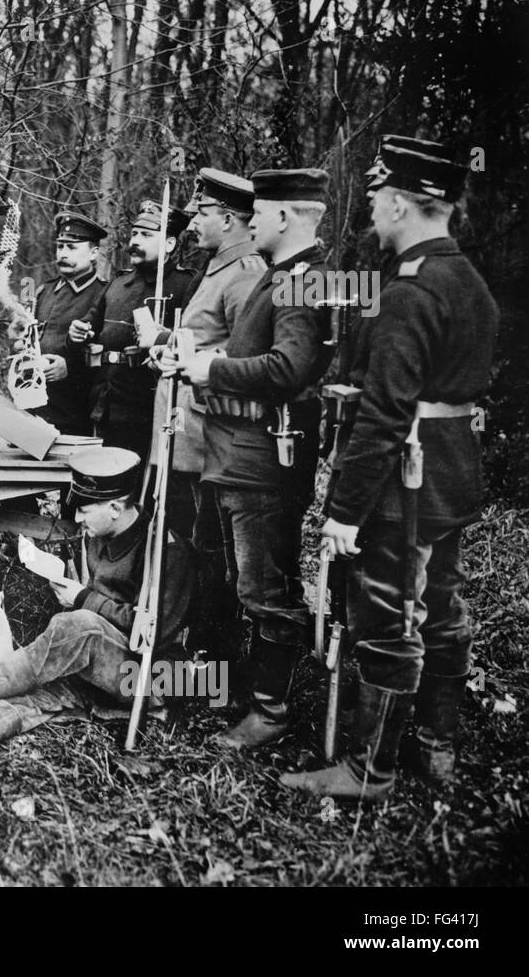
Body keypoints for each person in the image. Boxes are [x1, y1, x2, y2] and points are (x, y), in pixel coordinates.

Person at [281, 137, 498, 802]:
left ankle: (368, 768)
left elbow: (384, 412)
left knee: (386, 616)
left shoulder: (409, 290)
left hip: (406, 482)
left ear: (402, 204)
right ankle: (436, 742)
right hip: (452, 477)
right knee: (440, 607)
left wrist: (344, 513)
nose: (371, 214)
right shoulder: (468, 279)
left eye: (377, 200)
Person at [0, 448, 195, 761]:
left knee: (77, 628)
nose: (77, 519)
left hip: (156, 675)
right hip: (102, 668)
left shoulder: (166, 551)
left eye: (84, 510)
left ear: (114, 507)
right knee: (36, 695)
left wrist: (82, 599)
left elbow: (153, 632)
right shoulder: (97, 534)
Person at [175, 168, 333, 750]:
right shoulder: (281, 278)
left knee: (267, 592)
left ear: (286, 217)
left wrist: (211, 369)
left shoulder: (304, 282)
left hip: (266, 463)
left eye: (260, 213)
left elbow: (290, 370)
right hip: (235, 457)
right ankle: (239, 688)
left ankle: (272, 711)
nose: (253, 222)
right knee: (242, 584)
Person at [151, 168, 266, 656]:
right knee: (187, 550)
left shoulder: (246, 275)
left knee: (215, 559)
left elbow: (248, 370)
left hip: (212, 444)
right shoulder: (216, 267)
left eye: (202, 213)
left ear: (232, 219)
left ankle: (215, 659)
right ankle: (189, 645)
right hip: (185, 438)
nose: (192, 221)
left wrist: (195, 371)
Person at [76, 198, 197, 461]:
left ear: (169, 244)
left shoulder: (186, 284)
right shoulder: (118, 283)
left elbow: (195, 342)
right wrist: (77, 333)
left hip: (152, 404)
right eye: (134, 233)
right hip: (106, 400)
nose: (135, 240)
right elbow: (88, 325)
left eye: (146, 235)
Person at [26, 210, 106, 435]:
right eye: (60, 246)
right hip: (33, 408)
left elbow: (107, 354)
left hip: (75, 412)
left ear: (93, 253)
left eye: (71, 248)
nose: (62, 254)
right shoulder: (43, 291)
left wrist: (70, 368)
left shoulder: (104, 293)